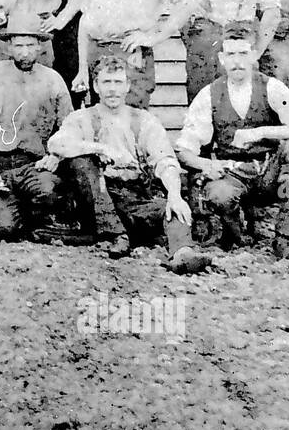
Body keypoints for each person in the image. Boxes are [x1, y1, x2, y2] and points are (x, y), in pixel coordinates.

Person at [49, 55, 213, 273]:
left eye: (118, 82)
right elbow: (57, 143)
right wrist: (100, 148)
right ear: (96, 86)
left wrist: (174, 194)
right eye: (106, 82)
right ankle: (116, 234)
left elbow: (165, 160)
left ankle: (182, 253)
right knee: (81, 162)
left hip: (133, 197)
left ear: (127, 86)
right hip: (96, 197)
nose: (112, 89)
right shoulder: (81, 118)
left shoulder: (143, 120)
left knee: (172, 208)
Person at [174, 21, 289, 259]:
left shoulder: (271, 88)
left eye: (243, 53)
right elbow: (184, 149)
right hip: (233, 173)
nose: (237, 61)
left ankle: (285, 238)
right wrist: (206, 165)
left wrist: (260, 132)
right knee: (219, 194)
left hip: (269, 173)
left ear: (254, 55)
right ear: (222, 58)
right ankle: (235, 234)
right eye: (231, 54)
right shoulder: (209, 94)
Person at [0, 15, 72, 242]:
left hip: (33, 167)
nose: (25, 52)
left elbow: (69, 129)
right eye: (18, 45)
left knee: (49, 191)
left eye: (30, 45)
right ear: (9, 46)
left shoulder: (53, 79)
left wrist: (55, 156)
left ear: (40, 47)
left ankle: (33, 218)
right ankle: (8, 213)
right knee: (1, 228)